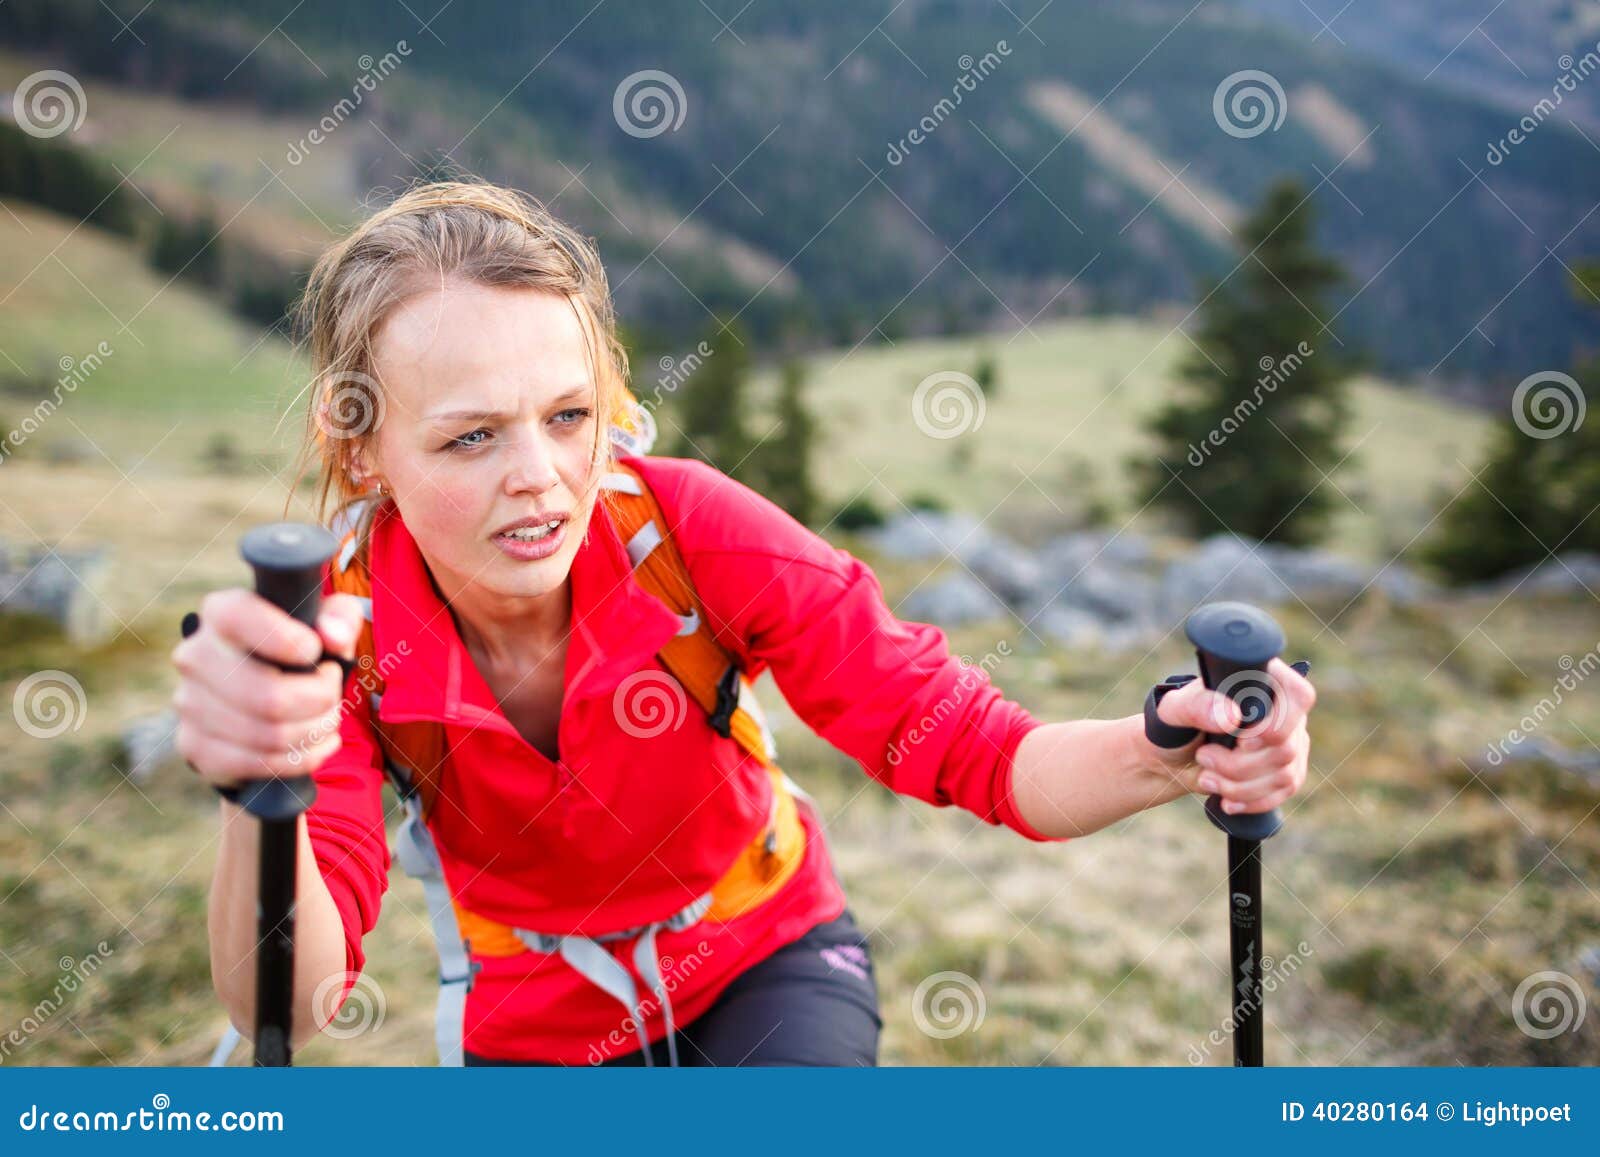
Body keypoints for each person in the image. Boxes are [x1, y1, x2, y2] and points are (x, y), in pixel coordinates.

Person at [171, 180, 1316, 1067]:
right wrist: (256, 783)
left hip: (769, 954)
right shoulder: (334, 650)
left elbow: (974, 747)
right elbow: (290, 999)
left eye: (570, 416)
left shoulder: (688, 535)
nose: (541, 477)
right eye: (471, 436)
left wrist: (1165, 744)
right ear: (358, 443)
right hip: (533, 1029)